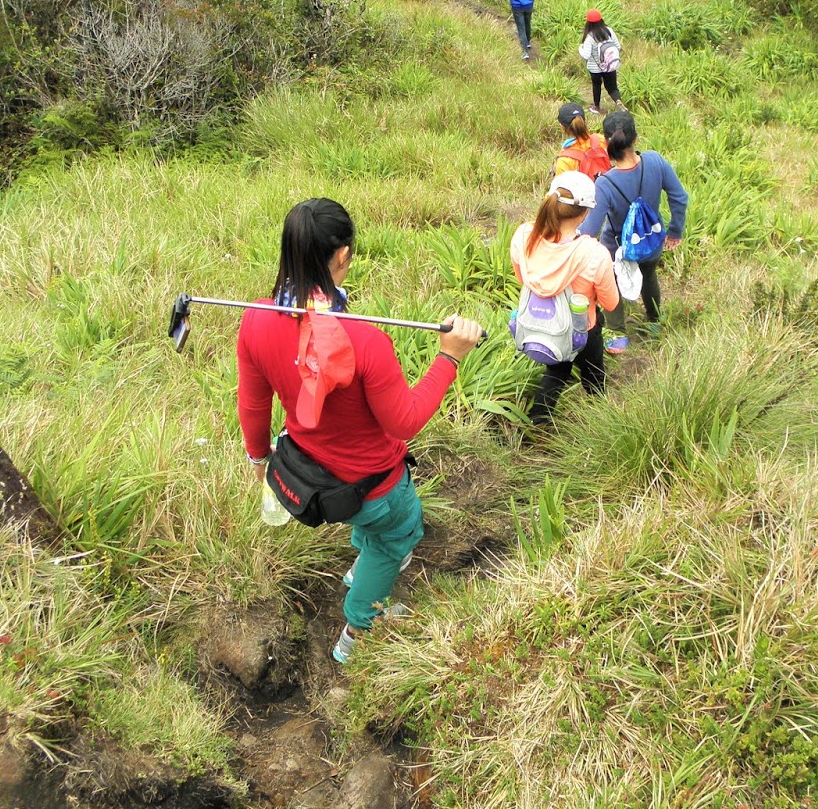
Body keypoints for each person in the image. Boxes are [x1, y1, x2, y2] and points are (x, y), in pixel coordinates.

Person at [236, 198, 482, 664]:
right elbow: (404, 422)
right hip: (375, 487)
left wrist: (257, 457)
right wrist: (449, 357)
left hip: (308, 471)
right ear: (343, 255)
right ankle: (356, 629)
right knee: (397, 537)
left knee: (371, 532)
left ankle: (361, 569)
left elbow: (252, 403)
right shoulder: (367, 341)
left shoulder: (255, 318)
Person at [510, 171, 620, 426]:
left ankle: (538, 424)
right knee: (593, 372)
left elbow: (523, 280)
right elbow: (611, 303)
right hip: (582, 331)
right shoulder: (594, 254)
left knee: (556, 371)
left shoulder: (524, 236)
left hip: (543, 328)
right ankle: (602, 415)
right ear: (585, 213)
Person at [579, 111, 689, 355]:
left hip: (618, 250)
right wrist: (674, 231)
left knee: (611, 284)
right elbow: (680, 197)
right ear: (635, 138)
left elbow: (590, 231)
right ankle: (653, 323)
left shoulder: (605, 183)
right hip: (652, 241)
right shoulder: (655, 161)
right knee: (649, 276)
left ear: (607, 143)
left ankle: (617, 334)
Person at [577, 9, 622, 113]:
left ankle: (596, 107)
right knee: (612, 88)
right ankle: (618, 101)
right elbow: (618, 47)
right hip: (610, 66)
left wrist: (580, 48)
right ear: (601, 20)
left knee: (596, 85)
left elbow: (586, 55)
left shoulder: (590, 37)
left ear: (588, 23)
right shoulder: (609, 31)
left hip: (595, 68)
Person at [552, 102, 611, 181]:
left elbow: (561, 191)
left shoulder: (565, 161)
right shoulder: (601, 139)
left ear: (562, 127)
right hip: (608, 190)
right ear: (585, 121)